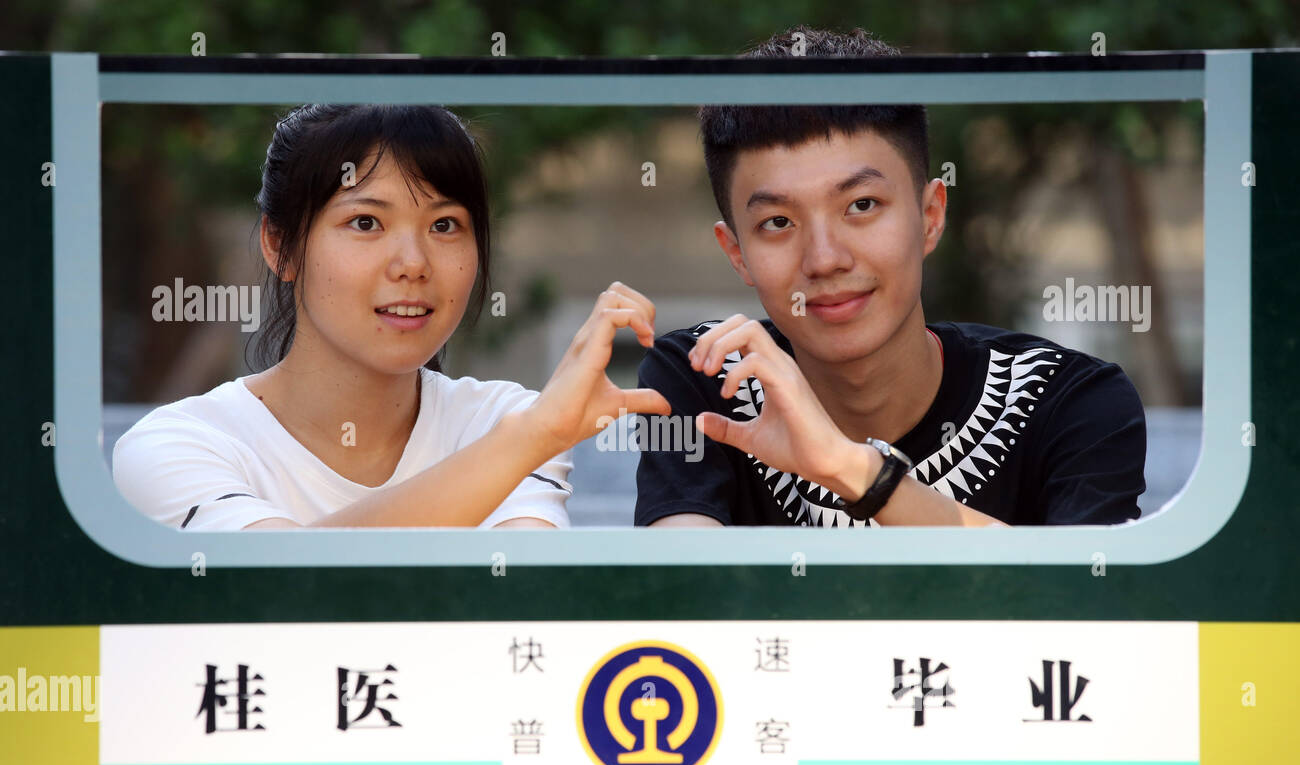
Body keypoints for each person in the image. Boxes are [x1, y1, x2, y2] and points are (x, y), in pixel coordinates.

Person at [634, 27, 1147, 529]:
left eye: (861, 205)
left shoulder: (1066, 401)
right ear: (737, 253)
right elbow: (682, 593)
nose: (825, 259)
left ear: (930, 216)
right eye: (778, 223)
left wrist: (848, 467)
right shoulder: (707, 381)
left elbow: (1080, 602)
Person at [114, 104, 667, 531]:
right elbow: (285, 588)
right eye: (365, 223)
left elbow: (516, 604)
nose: (413, 264)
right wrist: (536, 434)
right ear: (279, 245)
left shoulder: (501, 420)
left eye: (445, 224)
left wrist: (534, 433)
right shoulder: (177, 446)